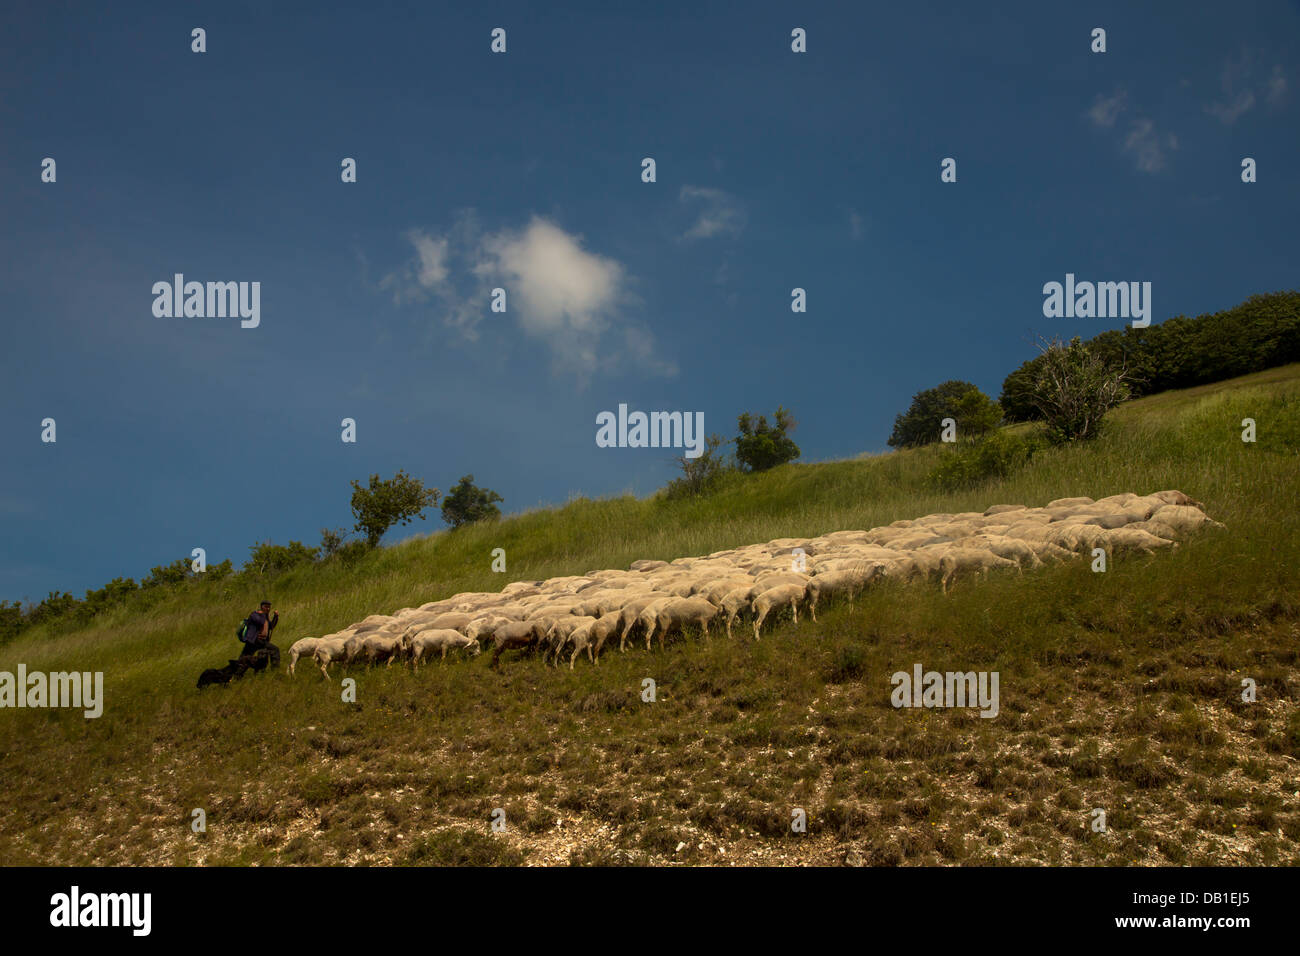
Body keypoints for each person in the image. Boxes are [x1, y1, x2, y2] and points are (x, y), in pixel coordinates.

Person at [240, 600, 281, 666]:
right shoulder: (254, 614)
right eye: (266, 607)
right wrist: (263, 614)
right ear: (261, 607)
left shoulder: (265, 616)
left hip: (261, 642)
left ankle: (272, 670)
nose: (268, 609)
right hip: (253, 641)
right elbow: (260, 622)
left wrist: (275, 617)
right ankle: (236, 672)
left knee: (269, 654)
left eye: (269, 607)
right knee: (244, 658)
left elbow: (271, 626)